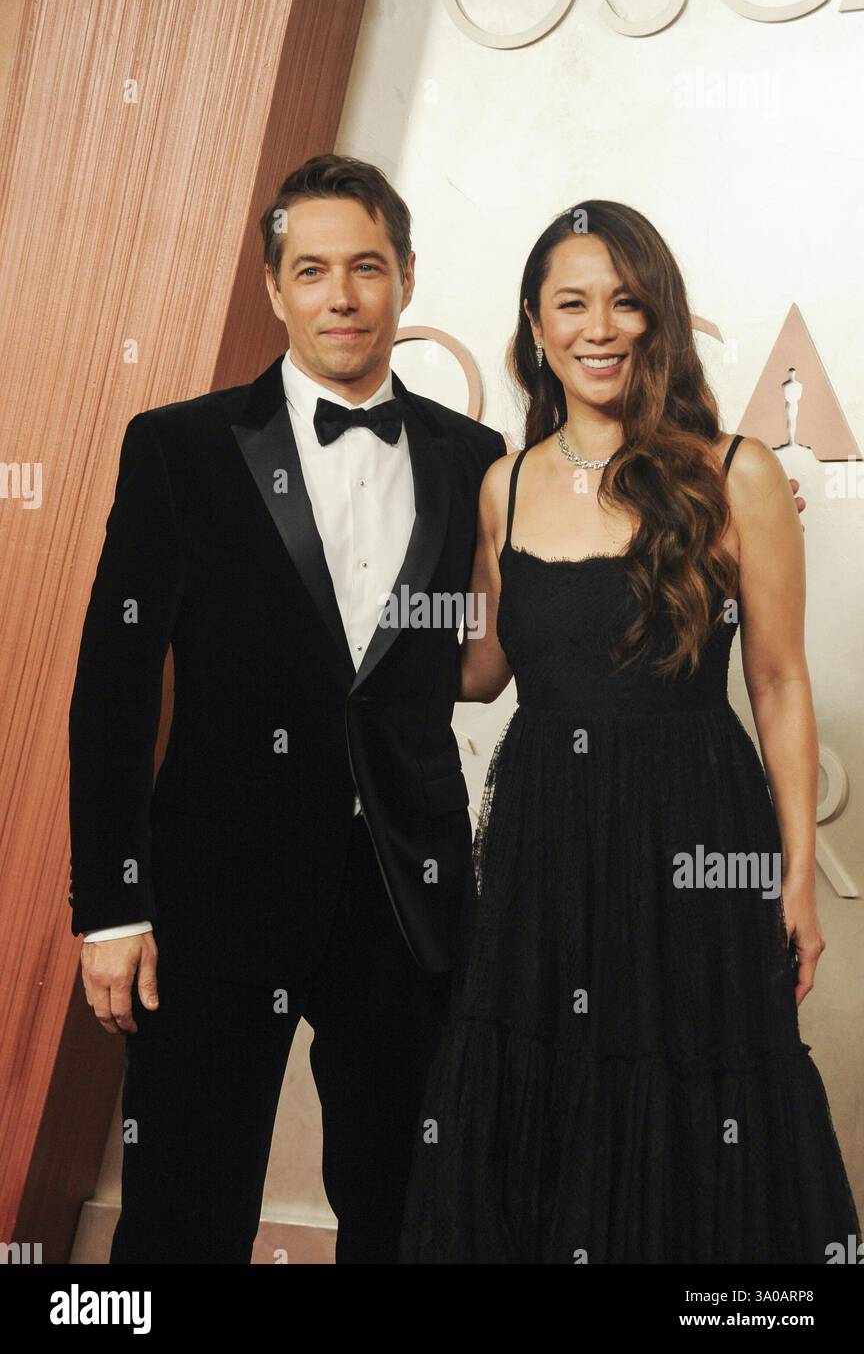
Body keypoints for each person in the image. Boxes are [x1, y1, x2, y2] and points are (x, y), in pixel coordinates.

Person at [399, 200, 859, 1264]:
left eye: (626, 300)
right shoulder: (504, 485)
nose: (600, 326)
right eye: (573, 302)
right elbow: (480, 666)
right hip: (546, 840)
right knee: (545, 1075)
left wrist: (795, 876)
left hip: (695, 830)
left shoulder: (734, 470)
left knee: (703, 1078)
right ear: (536, 324)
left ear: (657, 319)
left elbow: (782, 681)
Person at [68, 154, 509, 1263]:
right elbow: (113, 687)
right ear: (275, 288)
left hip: (405, 894)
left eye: (366, 266)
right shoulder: (179, 447)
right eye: (311, 270)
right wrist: (111, 907)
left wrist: (723, 523)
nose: (342, 295)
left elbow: (488, 662)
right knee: (179, 1207)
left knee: (411, 1204)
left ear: (406, 276)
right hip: (215, 891)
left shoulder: (477, 460)